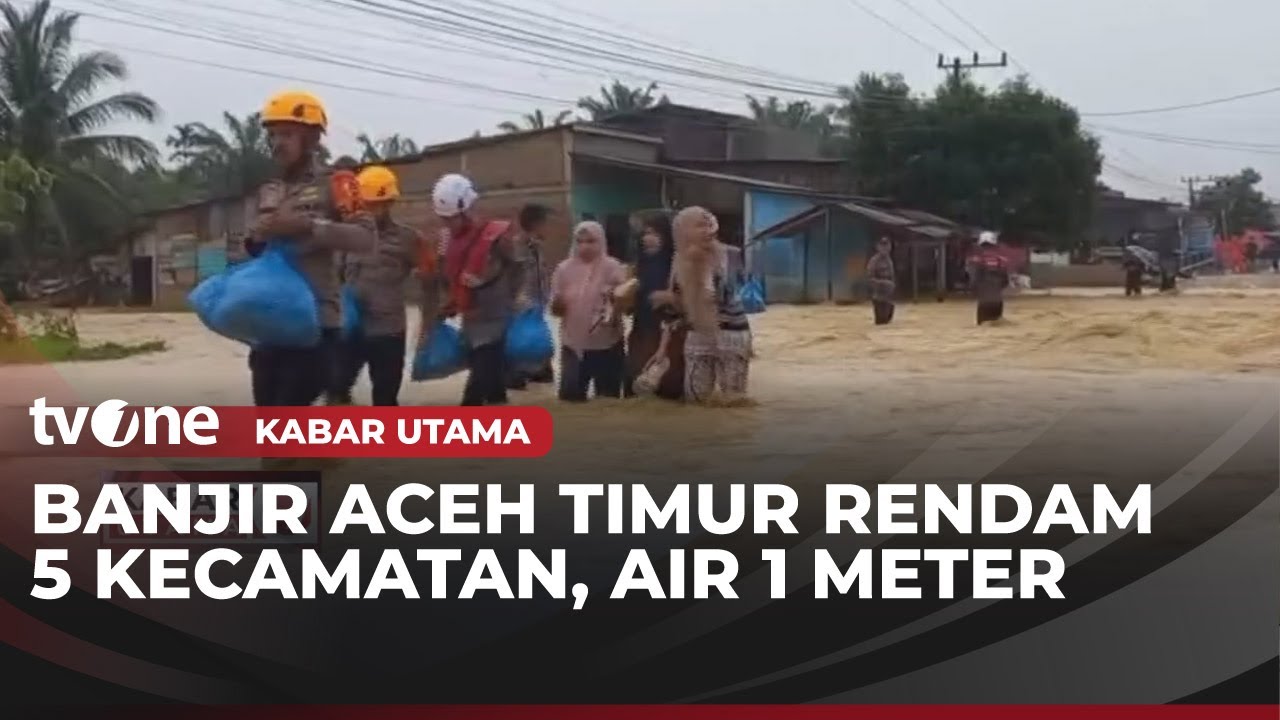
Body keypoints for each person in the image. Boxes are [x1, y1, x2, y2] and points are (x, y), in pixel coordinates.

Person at [243, 90, 376, 407]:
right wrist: (256, 240)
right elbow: (247, 252)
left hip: (315, 323)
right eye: (273, 135)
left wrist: (309, 227)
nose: (277, 143)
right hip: (271, 324)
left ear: (313, 138)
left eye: (288, 134)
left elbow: (365, 239)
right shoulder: (269, 191)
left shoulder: (338, 184)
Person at [328, 165, 421, 406]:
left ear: (389, 203)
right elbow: (335, 277)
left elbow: (430, 278)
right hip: (352, 329)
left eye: (376, 204)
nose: (370, 210)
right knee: (336, 388)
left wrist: (430, 321)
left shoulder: (408, 239)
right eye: (366, 204)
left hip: (388, 331)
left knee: (385, 397)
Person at [432, 173, 524, 406]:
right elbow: (446, 279)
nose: (448, 224)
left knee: (483, 379)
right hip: (470, 321)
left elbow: (517, 268)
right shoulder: (446, 240)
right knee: (489, 382)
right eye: (444, 219)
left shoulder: (497, 237)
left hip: (496, 320)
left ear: (467, 209)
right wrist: (448, 303)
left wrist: (512, 298)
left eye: (452, 218)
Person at [652, 206, 752, 405]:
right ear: (682, 232)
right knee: (695, 400)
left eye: (708, 225)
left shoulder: (730, 254)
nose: (706, 230)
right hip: (697, 334)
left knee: (733, 401)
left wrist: (700, 268)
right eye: (699, 226)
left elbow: (723, 296)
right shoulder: (678, 259)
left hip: (731, 335)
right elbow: (674, 312)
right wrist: (662, 350)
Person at [549, 221, 628, 402]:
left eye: (591, 241)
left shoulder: (613, 267)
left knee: (608, 398)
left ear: (601, 242)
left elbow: (625, 303)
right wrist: (558, 303)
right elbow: (555, 310)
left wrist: (616, 297)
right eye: (580, 241)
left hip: (607, 343)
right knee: (570, 398)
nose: (584, 246)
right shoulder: (563, 269)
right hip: (573, 343)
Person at [624, 212, 683, 400]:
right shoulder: (637, 266)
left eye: (655, 234)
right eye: (645, 234)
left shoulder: (678, 265)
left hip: (671, 334)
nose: (648, 239)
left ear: (666, 237)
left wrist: (671, 298)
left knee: (669, 389)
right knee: (637, 386)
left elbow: (694, 302)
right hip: (642, 329)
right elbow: (628, 308)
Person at [507, 203, 555, 389]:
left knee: (537, 344)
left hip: (537, 308)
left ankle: (539, 372)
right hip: (522, 308)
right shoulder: (518, 247)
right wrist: (521, 300)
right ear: (536, 224)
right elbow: (514, 277)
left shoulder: (537, 247)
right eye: (546, 223)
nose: (549, 228)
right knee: (520, 345)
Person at [967, 231, 1009, 325]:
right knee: (998, 324)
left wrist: (973, 289)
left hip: (984, 300)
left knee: (983, 327)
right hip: (997, 300)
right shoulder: (1001, 260)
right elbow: (1005, 280)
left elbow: (974, 278)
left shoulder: (977, 259)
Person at [867, 236, 896, 324]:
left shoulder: (889, 261)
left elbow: (892, 276)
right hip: (879, 297)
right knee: (880, 322)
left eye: (887, 245)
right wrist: (883, 284)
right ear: (878, 247)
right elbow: (870, 278)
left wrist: (892, 285)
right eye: (883, 246)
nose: (885, 248)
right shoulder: (874, 261)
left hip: (888, 297)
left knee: (888, 322)